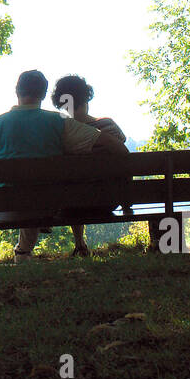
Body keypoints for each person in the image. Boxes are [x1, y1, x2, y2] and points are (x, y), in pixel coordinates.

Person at [0, 68, 128, 268]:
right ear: (43, 94)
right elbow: (114, 145)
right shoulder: (60, 123)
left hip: (10, 209)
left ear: (17, 91)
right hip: (47, 208)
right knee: (33, 197)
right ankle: (23, 254)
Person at [52, 74, 127, 257]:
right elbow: (125, 157)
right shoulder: (108, 125)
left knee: (71, 187)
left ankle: (80, 243)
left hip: (70, 206)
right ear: (86, 98)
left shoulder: (60, 134)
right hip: (108, 201)